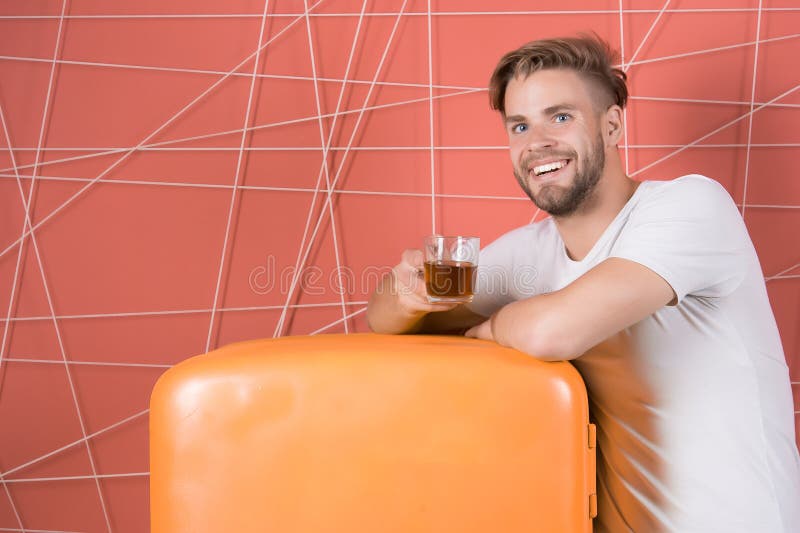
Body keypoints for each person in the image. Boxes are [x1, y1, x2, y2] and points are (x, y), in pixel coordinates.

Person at [366, 34, 800, 532]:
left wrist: (481, 334)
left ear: (612, 124)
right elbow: (386, 321)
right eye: (520, 125)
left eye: (561, 117)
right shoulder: (528, 251)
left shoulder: (690, 207)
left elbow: (552, 333)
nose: (537, 142)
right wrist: (404, 293)